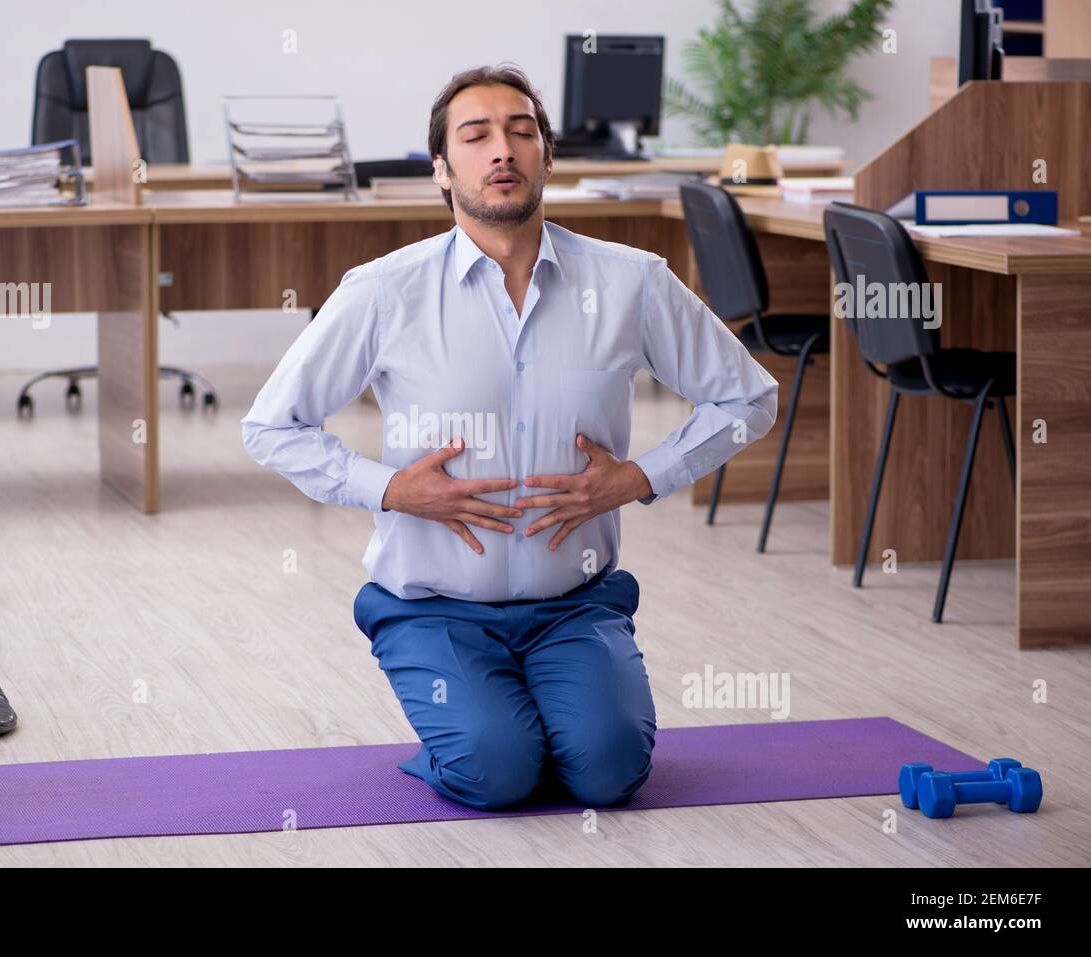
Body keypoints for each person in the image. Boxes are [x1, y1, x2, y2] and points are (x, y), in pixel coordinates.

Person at [241, 64, 778, 810]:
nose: (504, 150)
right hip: (434, 610)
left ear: (547, 158)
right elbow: (271, 424)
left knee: (610, 771)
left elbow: (749, 397)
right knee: (495, 771)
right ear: (441, 169)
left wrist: (640, 476)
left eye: (522, 132)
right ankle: (487, 733)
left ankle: (544, 721)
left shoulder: (631, 281)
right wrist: (391, 488)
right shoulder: (383, 291)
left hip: (573, 603)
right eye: (477, 135)